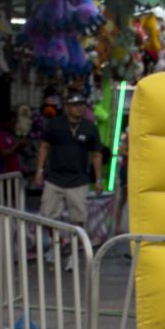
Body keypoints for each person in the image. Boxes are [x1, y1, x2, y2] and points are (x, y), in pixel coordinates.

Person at [33, 91, 102, 241]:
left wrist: (98, 180)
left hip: (79, 180)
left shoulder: (90, 128)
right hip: (55, 178)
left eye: (82, 105)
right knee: (46, 217)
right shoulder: (55, 124)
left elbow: (96, 154)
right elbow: (44, 146)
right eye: (75, 105)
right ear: (67, 107)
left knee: (78, 219)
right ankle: (57, 242)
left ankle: (74, 249)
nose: (79, 108)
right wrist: (39, 171)